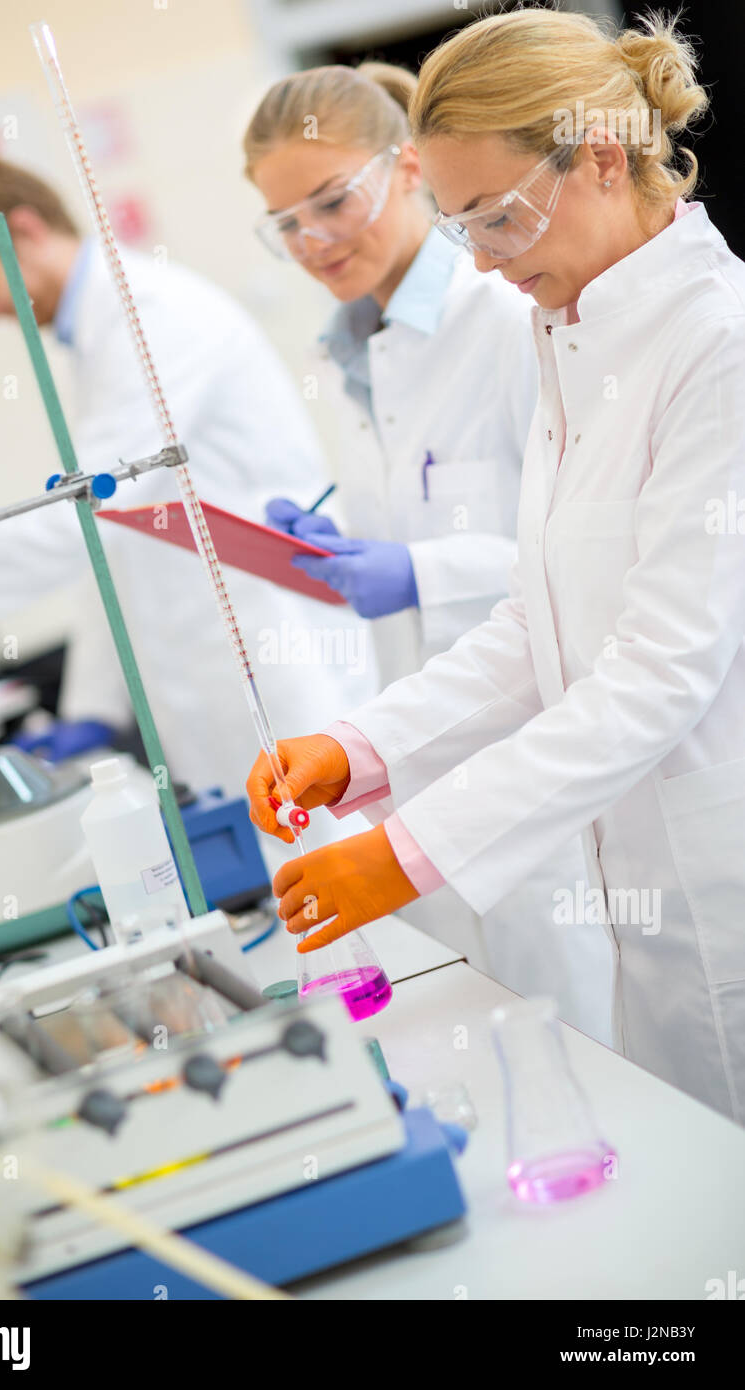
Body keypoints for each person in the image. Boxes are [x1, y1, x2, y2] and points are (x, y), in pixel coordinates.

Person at [247, 9, 745, 1123]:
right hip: (643, 889)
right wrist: (361, 746)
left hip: (720, 877)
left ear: (603, 158)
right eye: (462, 226)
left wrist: (408, 853)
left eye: (501, 216)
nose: (487, 257)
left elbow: (658, 670)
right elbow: (540, 620)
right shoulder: (568, 323)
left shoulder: (713, 340)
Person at [242, 63, 613, 1040]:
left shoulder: (506, 316)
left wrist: (414, 574)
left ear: (405, 166)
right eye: (284, 222)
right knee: (484, 1026)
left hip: (539, 756)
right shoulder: (351, 345)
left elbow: (584, 557)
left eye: (332, 201)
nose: (312, 239)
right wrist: (350, 552)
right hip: (426, 745)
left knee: (575, 1030)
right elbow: (431, 526)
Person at [0, 156, 375, 817]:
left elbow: (91, 509)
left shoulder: (149, 314)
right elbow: (120, 533)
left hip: (270, 647)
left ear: (25, 230)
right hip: (211, 659)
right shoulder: (99, 334)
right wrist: (93, 704)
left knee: (330, 858)